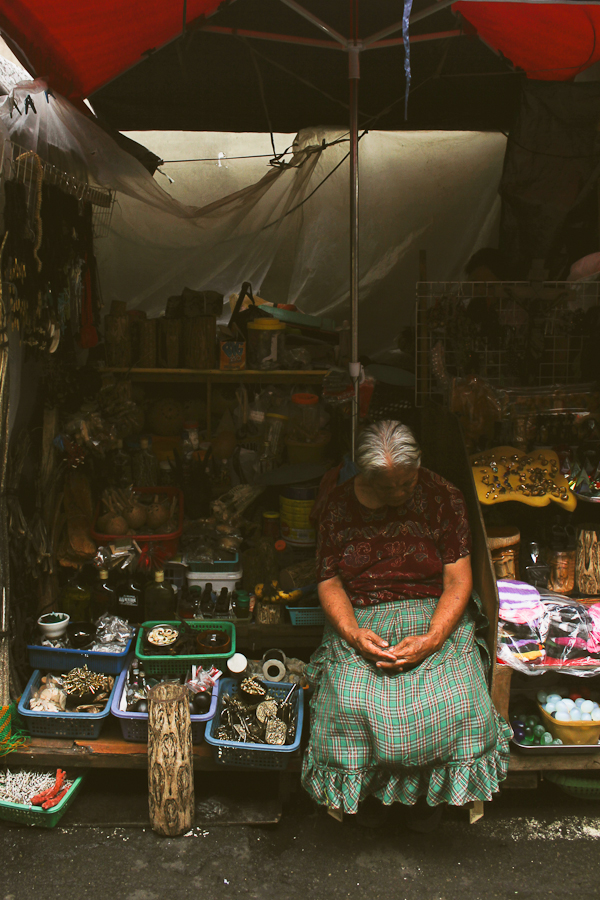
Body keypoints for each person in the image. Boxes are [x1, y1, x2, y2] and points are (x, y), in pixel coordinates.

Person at [301, 421, 511, 827]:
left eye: (407, 483)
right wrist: (352, 633)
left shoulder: (443, 497)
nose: (399, 494)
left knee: (459, 697)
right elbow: (329, 580)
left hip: (433, 607)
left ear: (420, 468)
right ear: (364, 475)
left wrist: (433, 638)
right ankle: (347, 794)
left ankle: (460, 792)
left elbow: (458, 578)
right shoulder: (338, 506)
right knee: (349, 697)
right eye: (386, 487)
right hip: (363, 610)